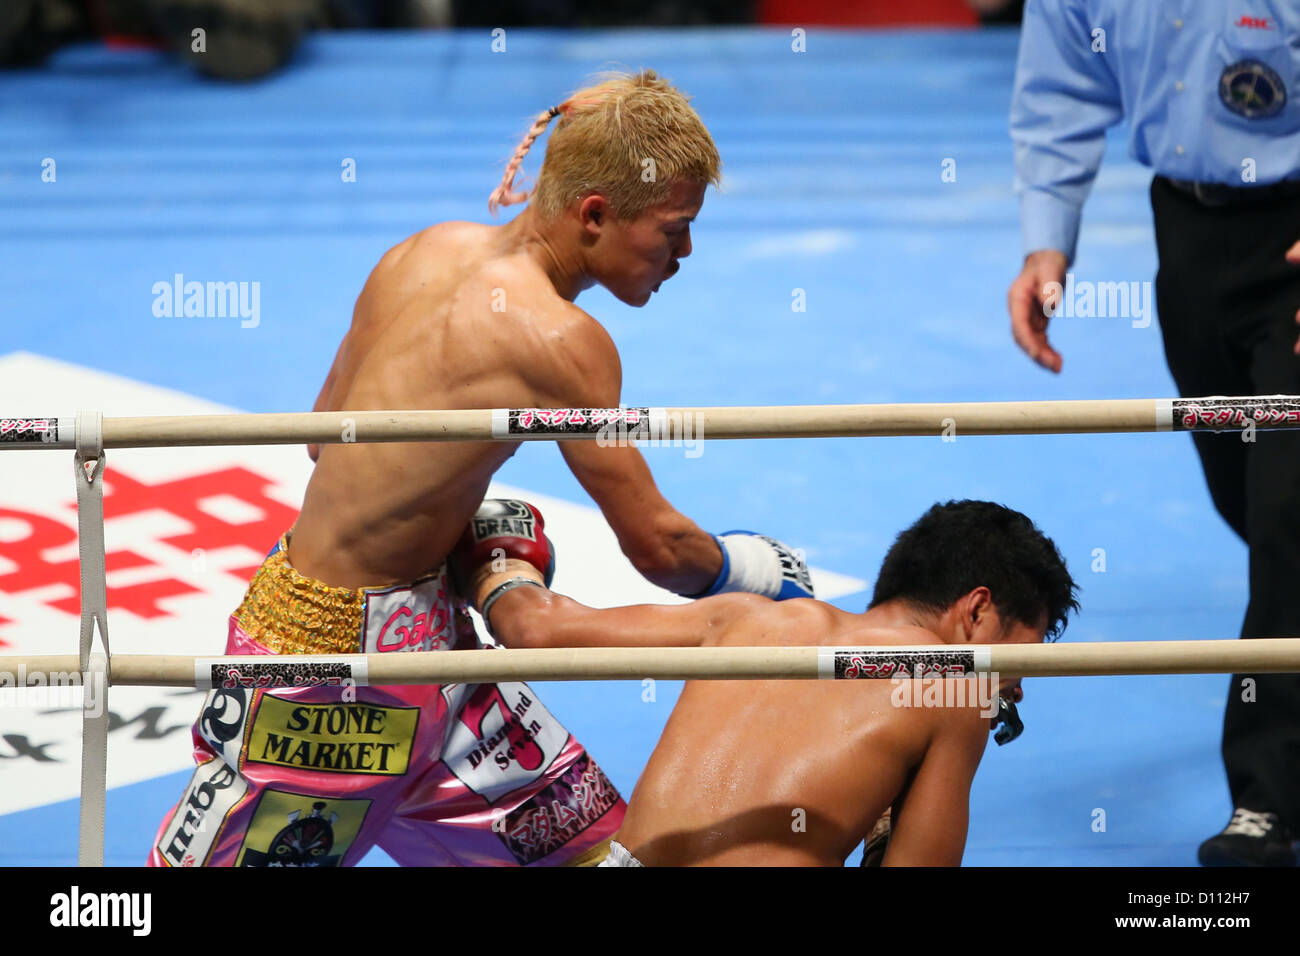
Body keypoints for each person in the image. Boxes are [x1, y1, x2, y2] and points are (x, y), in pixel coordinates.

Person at [147, 69, 814, 868]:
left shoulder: (422, 251)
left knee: (587, 856)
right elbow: (661, 551)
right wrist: (763, 575)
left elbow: (327, 437)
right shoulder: (565, 342)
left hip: (436, 650)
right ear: (595, 214)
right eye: (673, 230)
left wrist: (455, 517)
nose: (687, 252)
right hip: (331, 682)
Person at [1007, 0, 1300, 866]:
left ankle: (1267, 798)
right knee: (1252, 507)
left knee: (1289, 516)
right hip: (1191, 241)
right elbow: (1059, 87)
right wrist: (1046, 243)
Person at [452, 498, 1079, 866]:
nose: (1017, 688)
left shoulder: (746, 617)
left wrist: (497, 557)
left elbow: (533, 628)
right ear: (976, 612)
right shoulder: (955, 683)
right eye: (1024, 656)